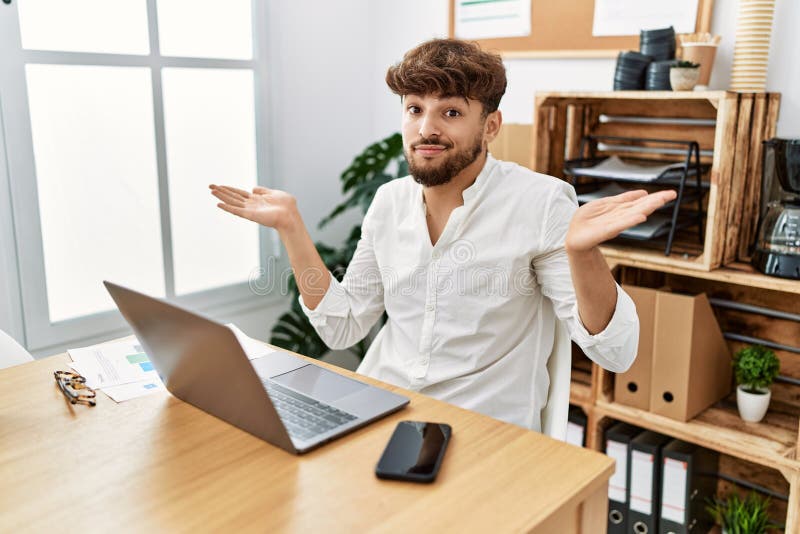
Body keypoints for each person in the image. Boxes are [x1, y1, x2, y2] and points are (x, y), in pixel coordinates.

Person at [210, 39, 676, 431]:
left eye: (451, 112)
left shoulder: (542, 202)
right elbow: (342, 325)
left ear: (490, 125)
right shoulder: (389, 201)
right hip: (380, 410)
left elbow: (617, 352)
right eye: (415, 109)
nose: (426, 128)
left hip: (481, 430)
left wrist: (583, 252)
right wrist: (292, 229)